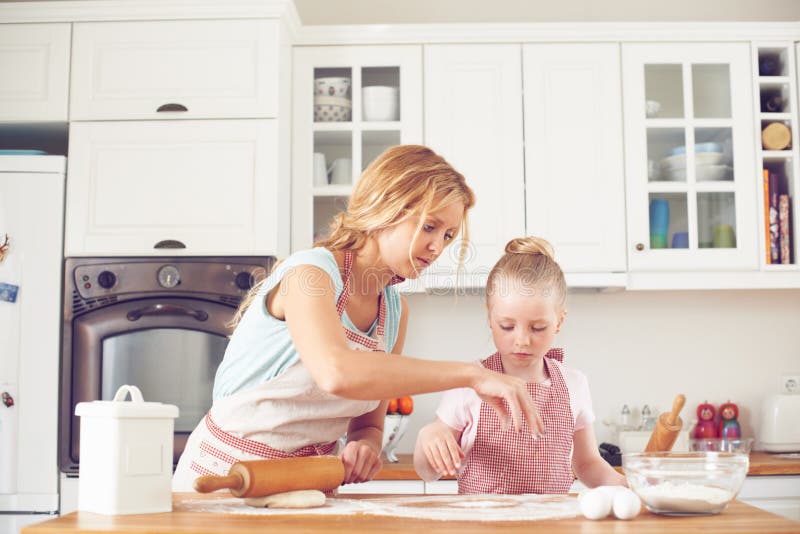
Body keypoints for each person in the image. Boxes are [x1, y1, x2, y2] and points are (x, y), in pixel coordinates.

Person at [173, 145, 543, 491]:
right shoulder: (310, 275)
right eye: (429, 227)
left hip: (306, 485)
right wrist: (473, 374)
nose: (437, 247)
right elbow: (336, 372)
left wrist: (365, 444)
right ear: (385, 208)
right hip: (223, 477)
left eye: (448, 235)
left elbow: (368, 424)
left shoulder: (394, 312)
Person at [413, 236, 626, 494]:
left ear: (559, 321)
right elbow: (428, 472)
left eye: (538, 327)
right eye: (507, 326)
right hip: (481, 518)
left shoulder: (574, 384)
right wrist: (429, 437)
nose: (522, 340)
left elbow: (587, 464)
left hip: (552, 517)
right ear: (490, 317)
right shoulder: (468, 384)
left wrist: (624, 485)